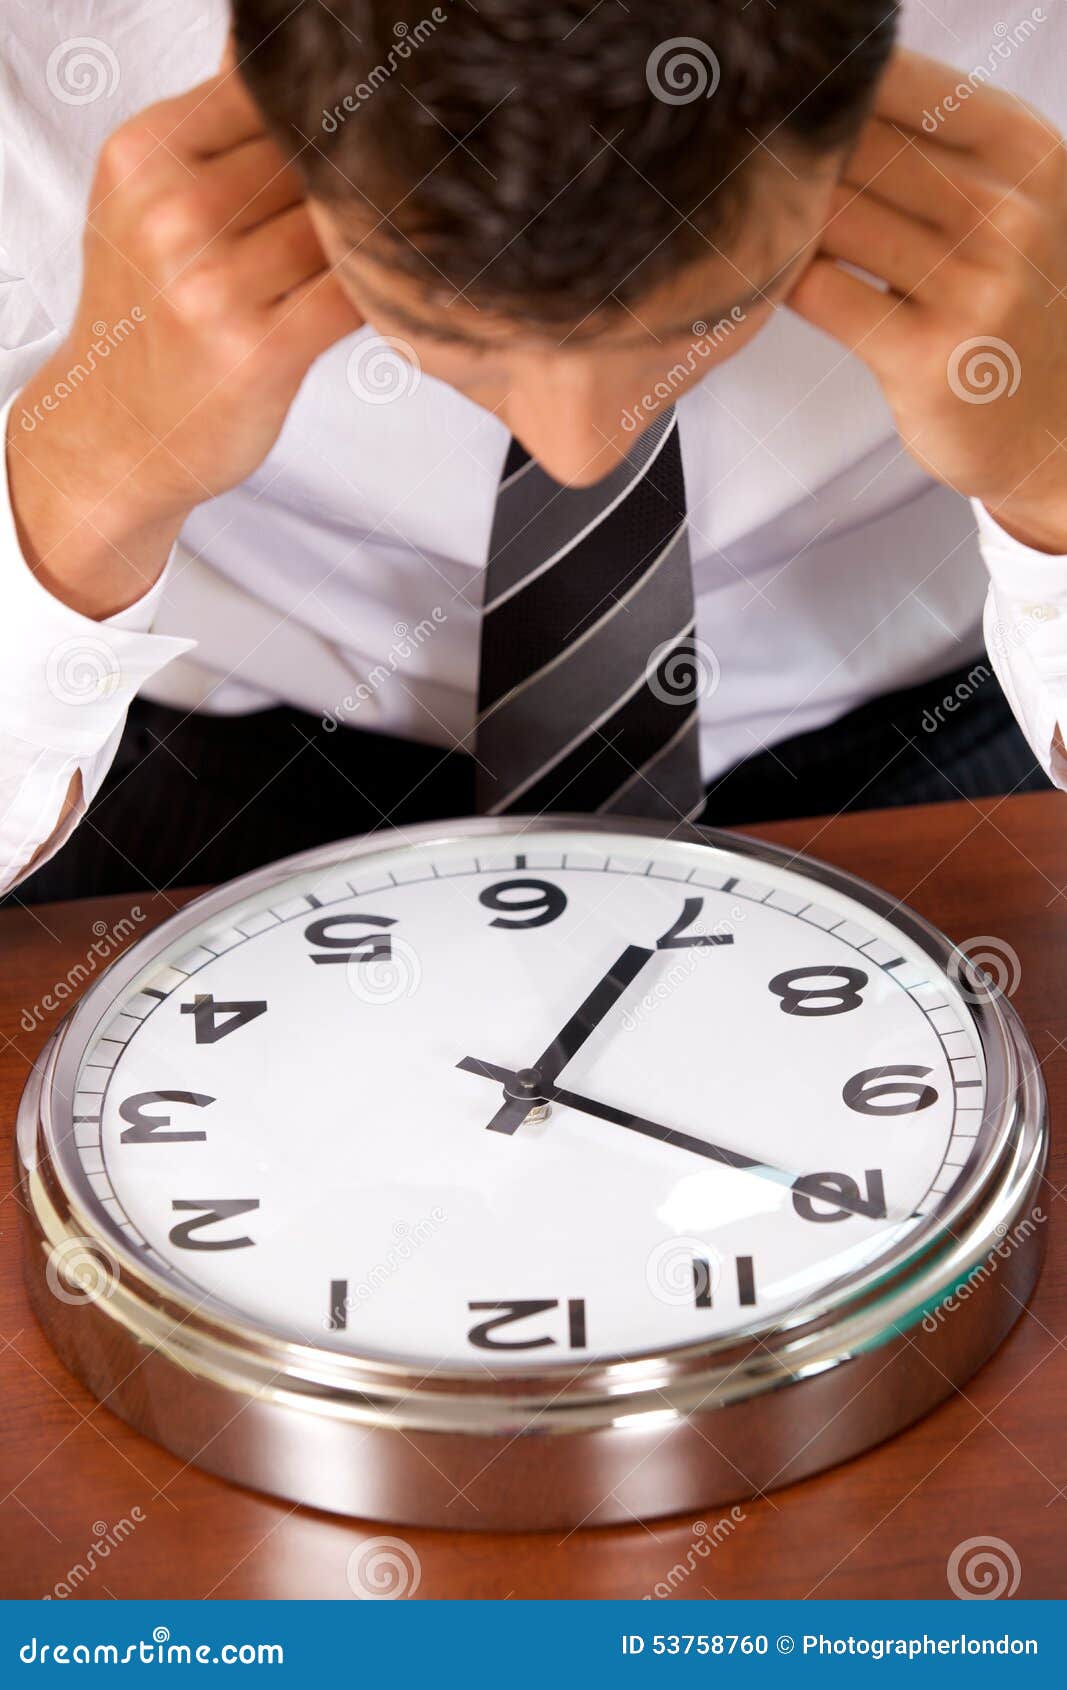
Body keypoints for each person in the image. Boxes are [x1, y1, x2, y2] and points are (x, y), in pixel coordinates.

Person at [2, 0, 1065, 903]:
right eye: (442, 331)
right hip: (207, 727)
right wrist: (85, 475)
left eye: (730, 304)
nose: (576, 449)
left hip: (938, 719)